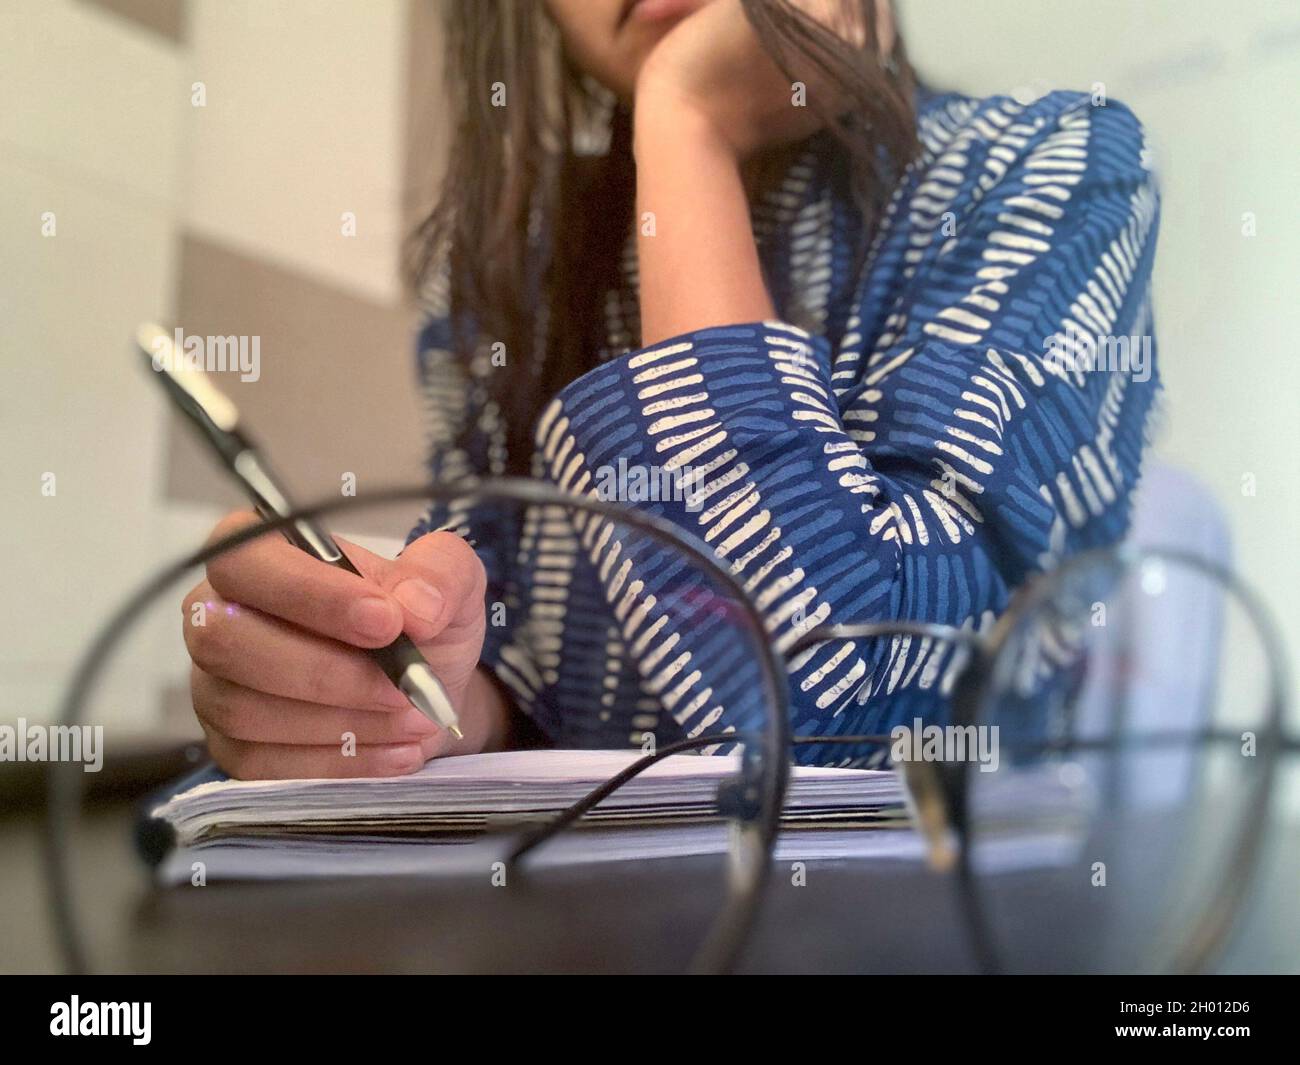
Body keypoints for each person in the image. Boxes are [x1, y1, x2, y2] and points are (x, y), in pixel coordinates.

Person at [182, 0, 1160, 778]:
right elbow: (512, 651)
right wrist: (421, 693)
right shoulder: (510, 267)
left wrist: (685, 121)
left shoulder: (1053, 163)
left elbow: (834, 715)